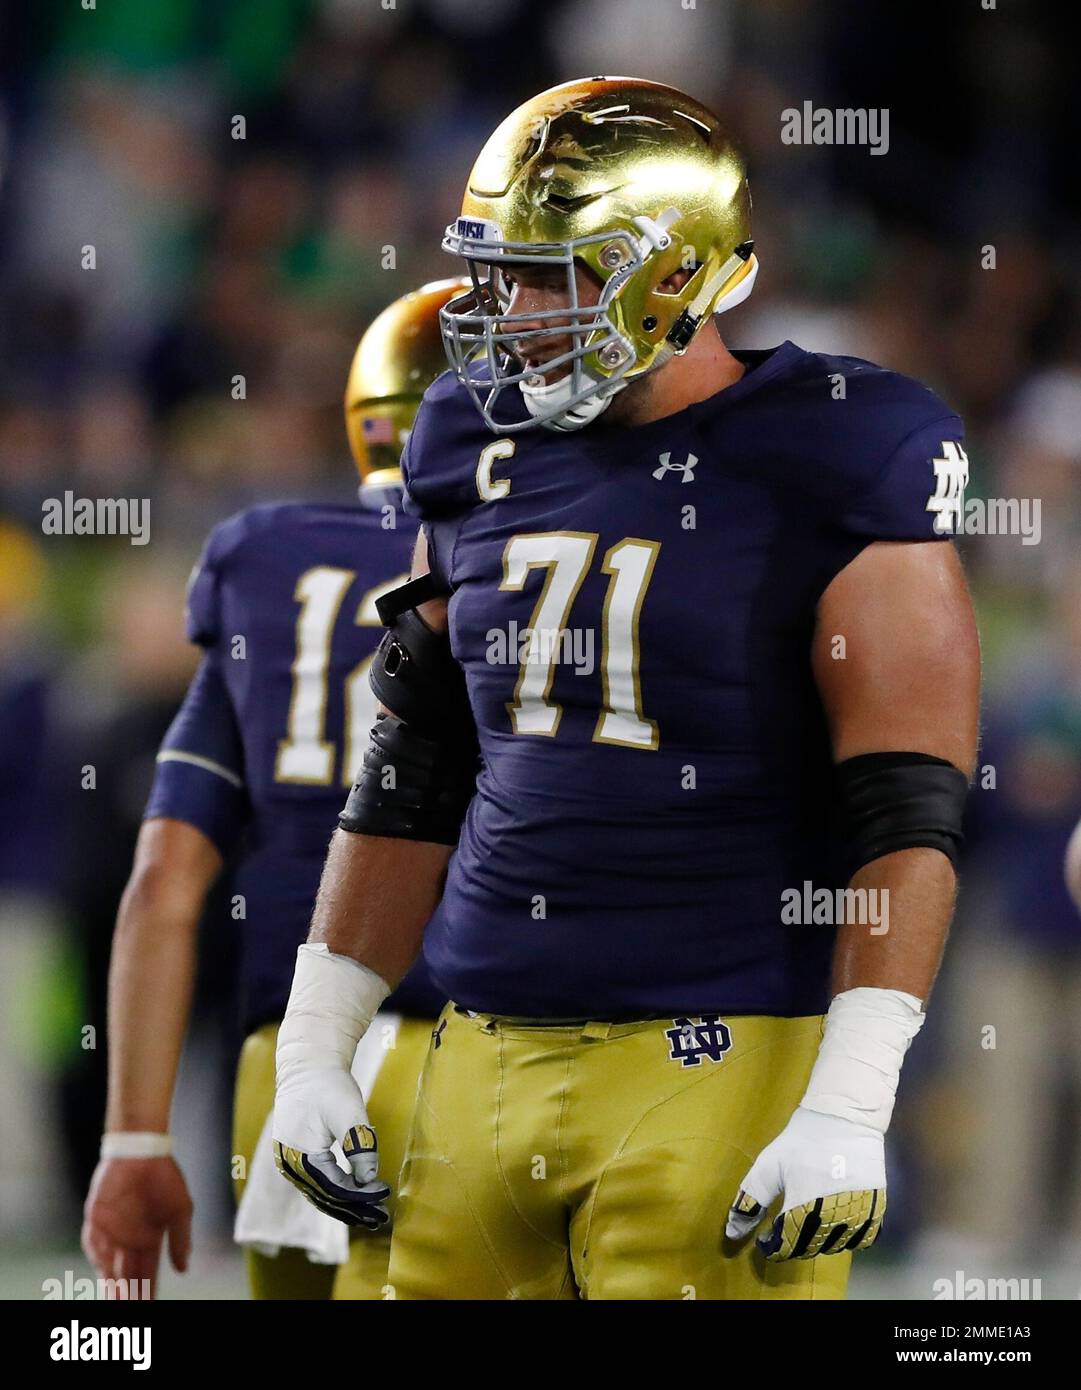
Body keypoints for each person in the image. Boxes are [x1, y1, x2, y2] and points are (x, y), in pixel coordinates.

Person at [272, 78, 981, 1300]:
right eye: (501, 274)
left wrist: (851, 1100)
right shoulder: (467, 437)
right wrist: (313, 1049)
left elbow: (903, 805)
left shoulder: (839, 440)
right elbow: (415, 765)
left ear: (671, 272)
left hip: (715, 1061)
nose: (511, 312)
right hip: (473, 1050)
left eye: (552, 275)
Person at [81, 280, 466, 1299]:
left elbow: (163, 880)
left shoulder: (263, 561)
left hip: (285, 1072)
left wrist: (133, 1136)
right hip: (486, 1065)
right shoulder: (538, 559)